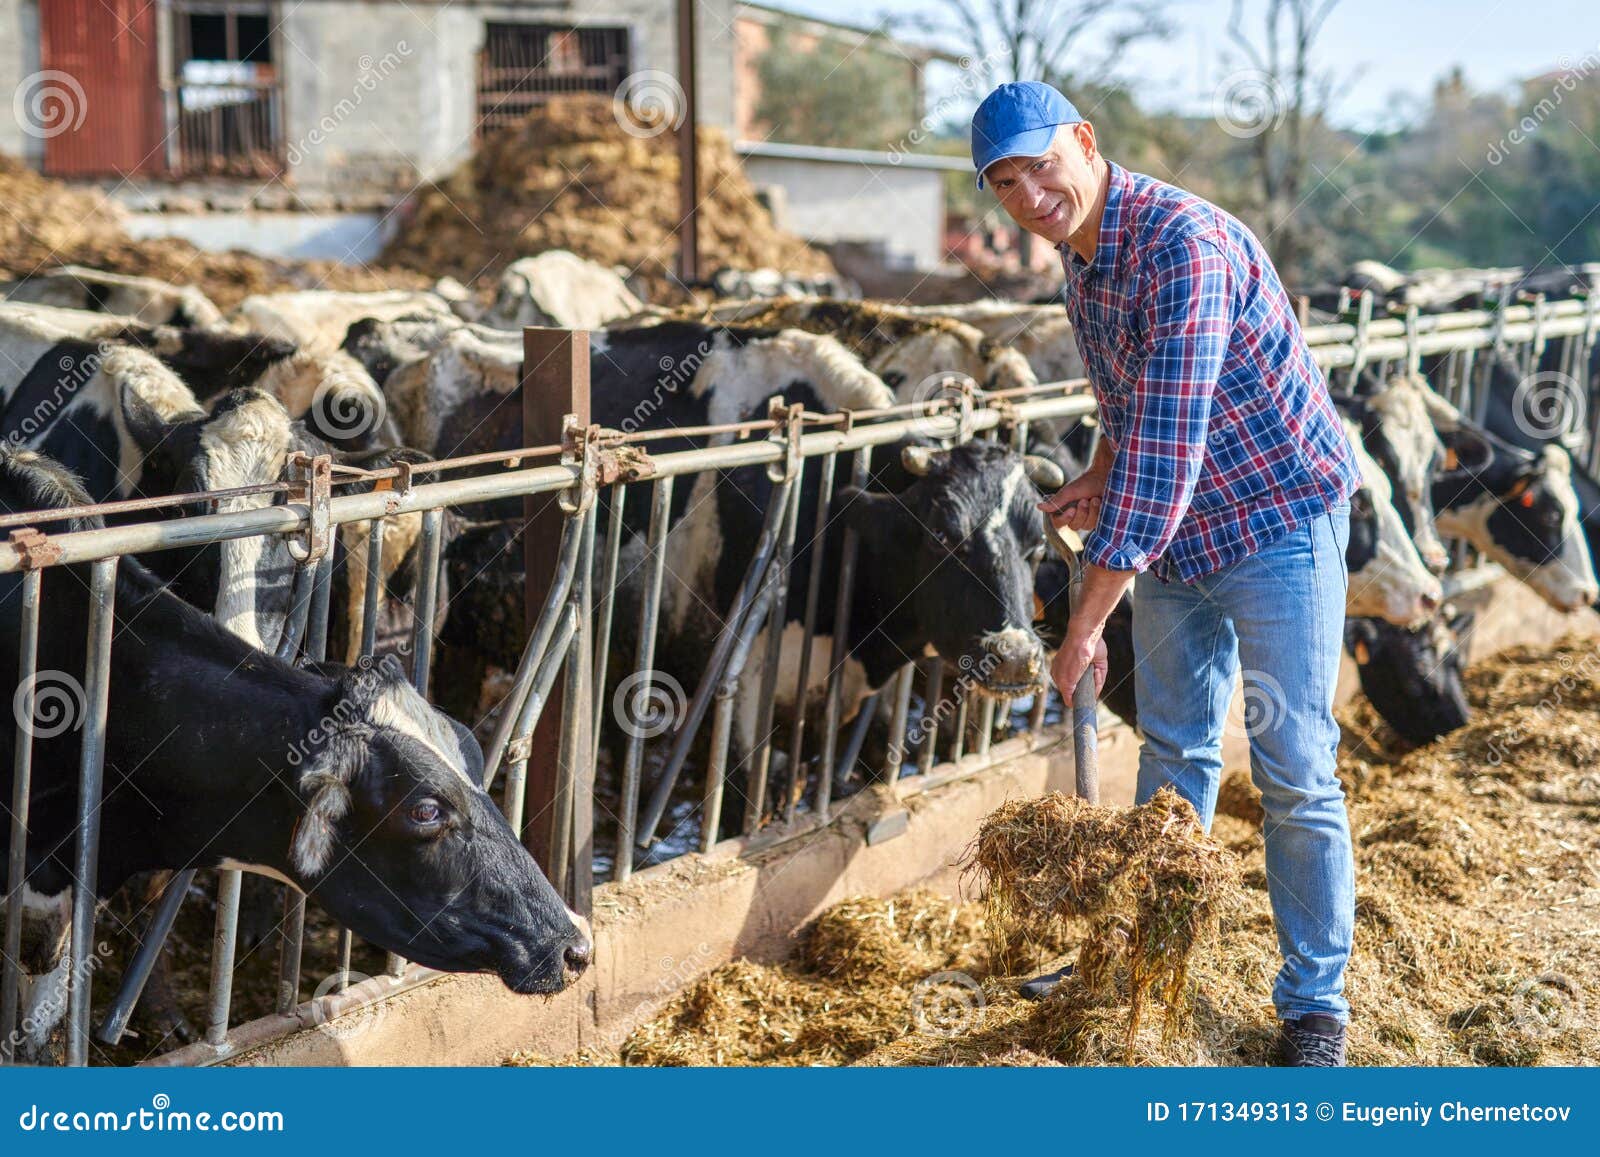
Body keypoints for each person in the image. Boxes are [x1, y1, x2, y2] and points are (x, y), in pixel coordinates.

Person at [971, 81, 1363, 1067]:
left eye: (1038, 164)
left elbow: (1169, 452)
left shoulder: (1184, 244)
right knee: (1173, 758)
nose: (1027, 192)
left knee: (1292, 766)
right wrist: (1094, 476)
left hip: (1278, 518)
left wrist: (1082, 626)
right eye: (1003, 181)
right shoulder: (1082, 263)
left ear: (1087, 142)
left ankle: (1315, 1001)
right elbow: (1133, 410)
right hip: (1177, 536)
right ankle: (1154, 966)